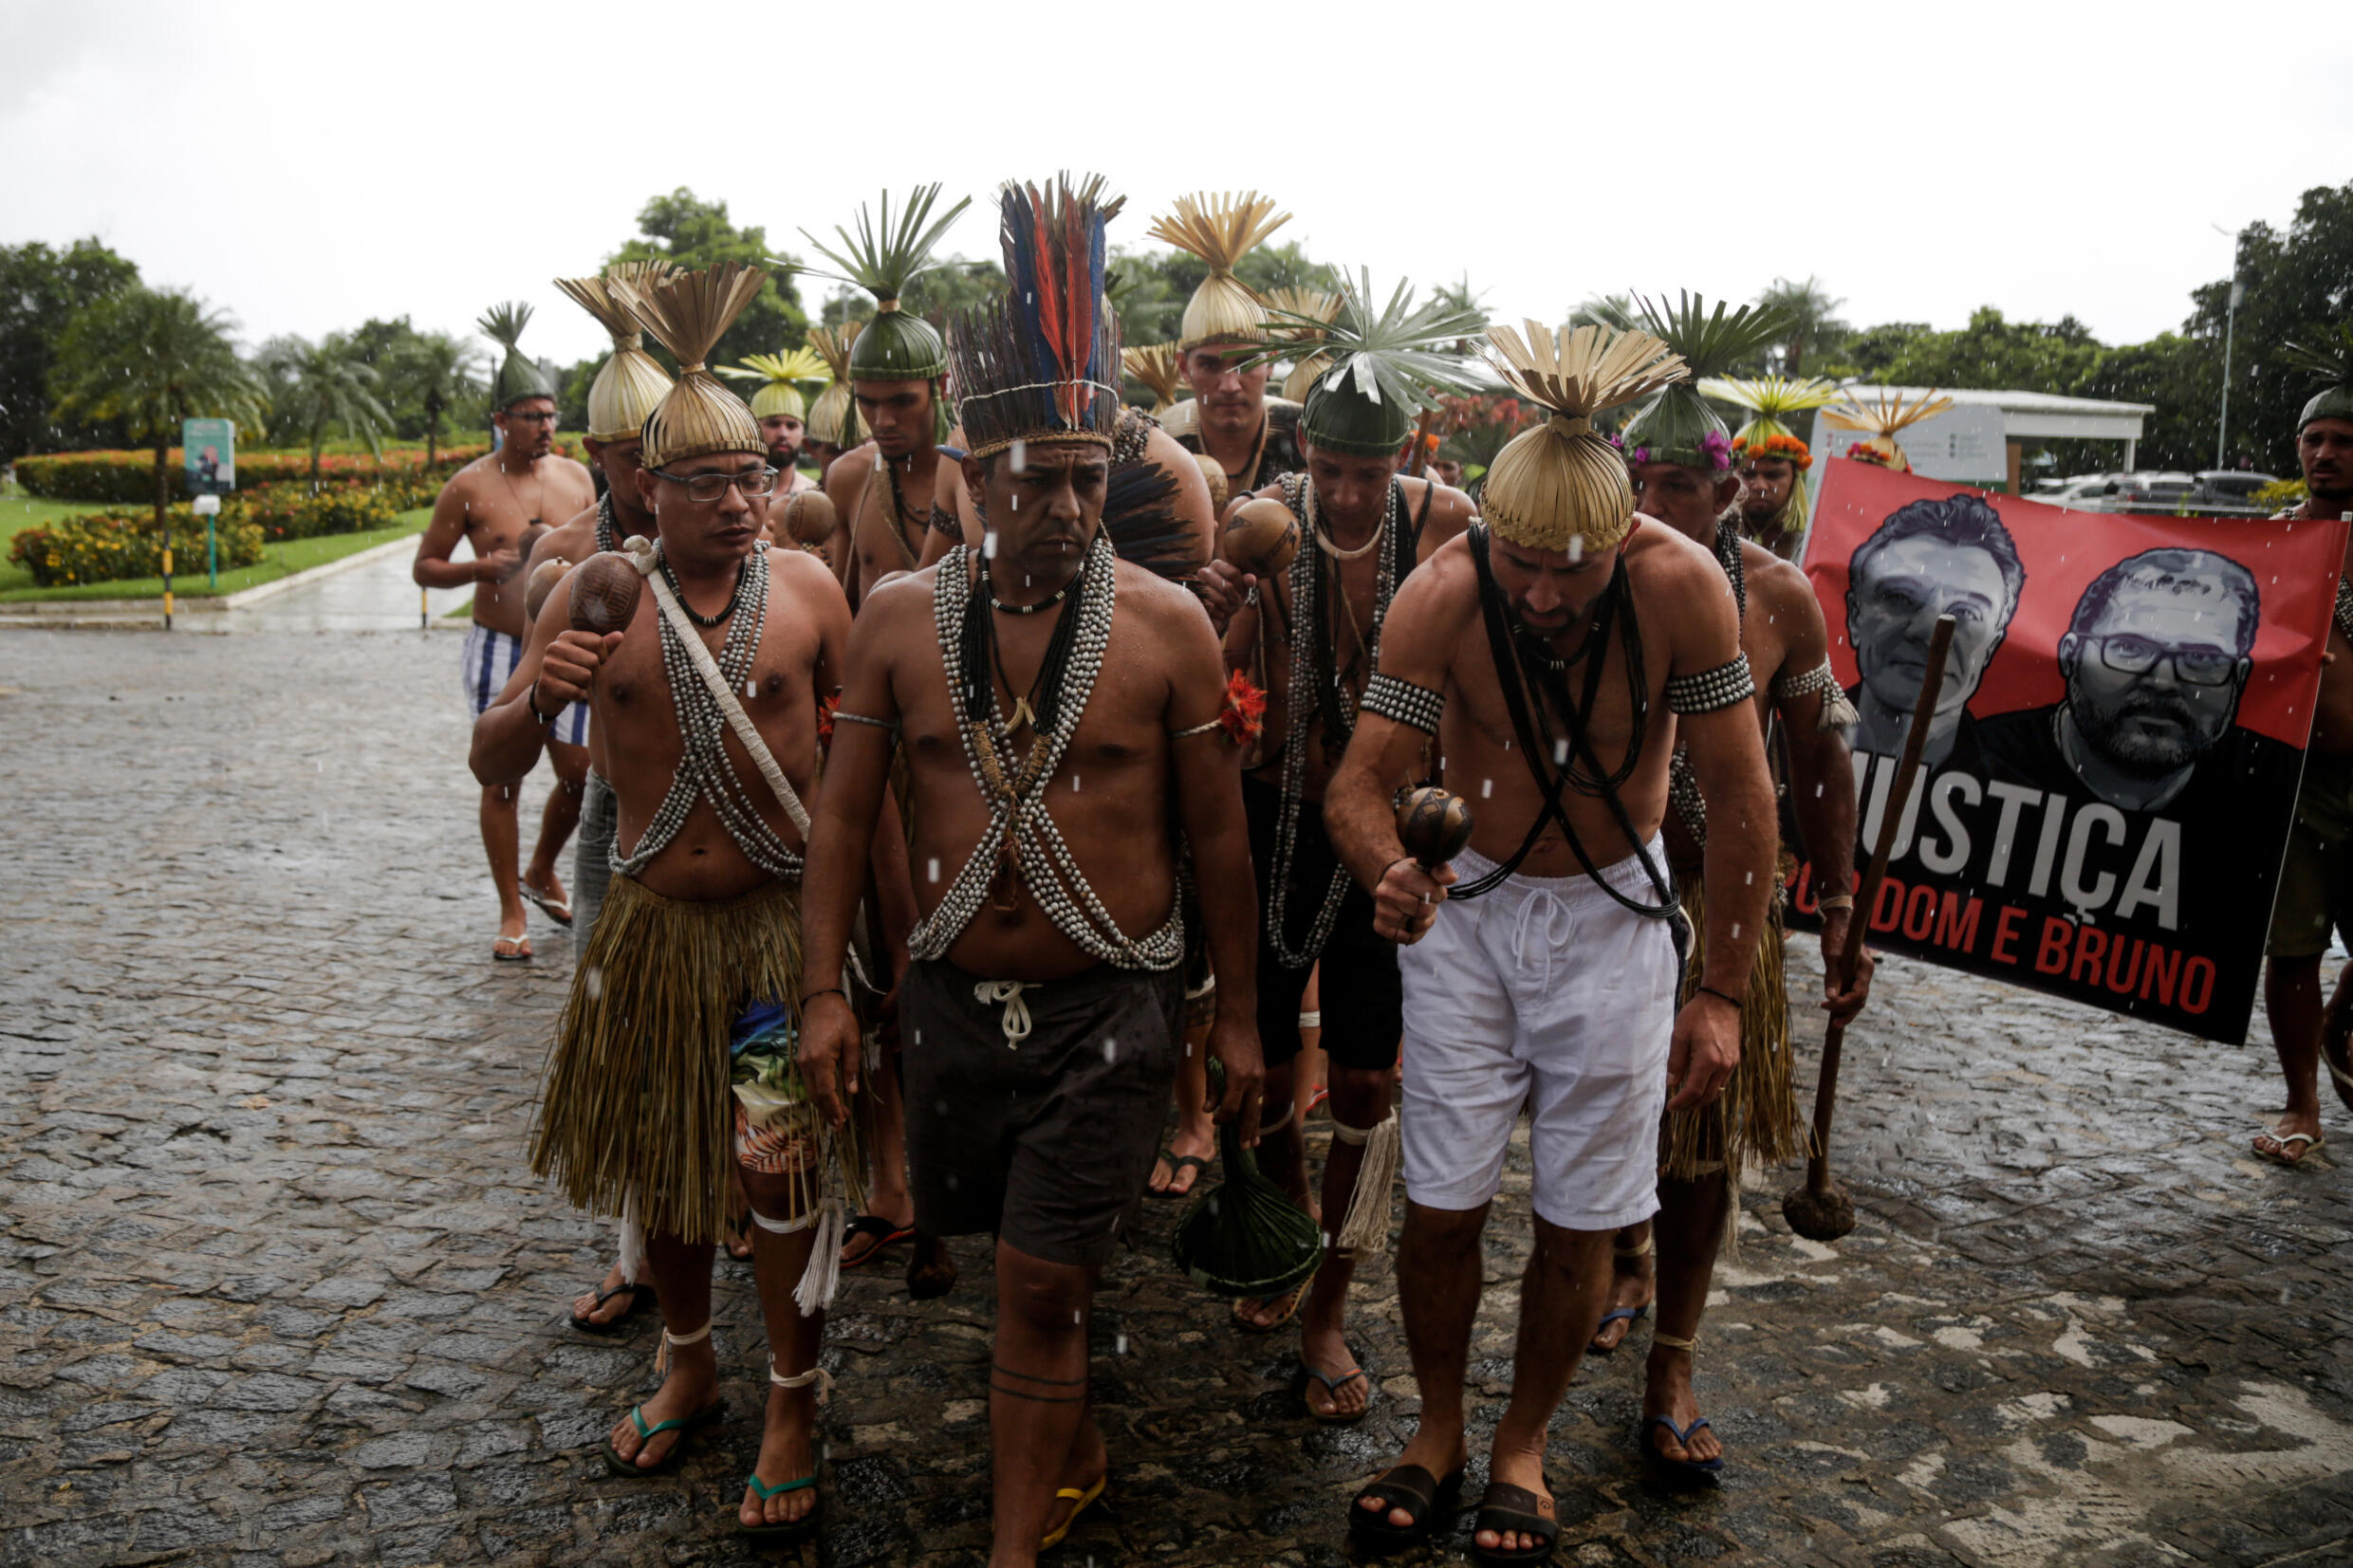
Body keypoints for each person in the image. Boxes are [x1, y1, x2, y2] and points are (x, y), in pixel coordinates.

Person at [794, 176, 1265, 1568]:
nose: (1065, 505)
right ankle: (1074, 1452)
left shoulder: (1168, 627)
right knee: (1020, 1282)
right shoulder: (893, 625)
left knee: (1043, 1284)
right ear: (972, 479)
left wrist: (1235, 1017)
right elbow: (838, 823)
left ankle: (1010, 1551)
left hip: (1107, 1013)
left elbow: (1222, 840)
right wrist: (827, 995)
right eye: (1036, 479)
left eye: (1083, 477)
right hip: (950, 1009)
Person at [1322, 319, 1776, 1561]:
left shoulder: (1683, 587)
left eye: (1569, 571)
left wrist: (1722, 992)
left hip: (1615, 922)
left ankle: (1521, 1439)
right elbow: (1361, 784)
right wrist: (1388, 876)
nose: (1539, 591)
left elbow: (1742, 797)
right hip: (1467, 916)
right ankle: (1438, 1431)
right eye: (1519, 560)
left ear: (1623, 538)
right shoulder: (1445, 592)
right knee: (1441, 1199)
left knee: (1584, 1213)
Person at [474, 261, 898, 1542]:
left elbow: (862, 789)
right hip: (652, 937)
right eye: (702, 482)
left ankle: (788, 1395)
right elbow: (493, 766)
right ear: (645, 487)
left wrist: (866, 970)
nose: (733, 501)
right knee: (663, 1175)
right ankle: (688, 1355)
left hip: (774, 944)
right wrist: (539, 690)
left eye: (748, 480)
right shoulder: (597, 597)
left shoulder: (817, 597)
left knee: (774, 1174)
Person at [1589, 295, 1873, 1479]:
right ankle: (1617, 1254)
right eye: (1643, 487)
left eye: (1684, 490)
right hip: (1605, 895)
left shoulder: (1777, 599)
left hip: (1718, 908)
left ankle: (1672, 1357)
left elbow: (1816, 757)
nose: (1663, 510)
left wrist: (1840, 900)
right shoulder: (1583, 585)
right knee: (1606, 1125)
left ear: (1725, 492)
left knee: (1698, 1145)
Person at [1194, 273, 1481, 1419]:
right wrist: (1224, 593)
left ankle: (1329, 1306)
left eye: (1369, 474)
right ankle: (1280, 1230)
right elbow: (1210, 670)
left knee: (1363, 1076)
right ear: (1300, 452)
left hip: (1392, 835)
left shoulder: (1446, 525)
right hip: (1279, 825)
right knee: (1262, 1065)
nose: (1351, 497)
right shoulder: (1267, 521)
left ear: (1401, 458)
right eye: (1331, 474)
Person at [522, 261, 703, 1331]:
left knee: (758, 1072)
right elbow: (495, 750)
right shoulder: (565, 559)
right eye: (640, 461)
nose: (661, 479)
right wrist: (540, 703)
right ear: (597, 456)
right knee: (629, 1051)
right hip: (621, 828)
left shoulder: (755, 548)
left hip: (746, 834)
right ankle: (641, 1255)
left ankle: (739, 1230)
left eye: (678, 459)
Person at [412, 300, 597, 960]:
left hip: (566, 638)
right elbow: (423, 568)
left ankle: (543, 865)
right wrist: (478, 568)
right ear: (501, 420)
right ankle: (512, 909)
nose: (546, 425)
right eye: (532, 415)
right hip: (497, 644)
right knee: (502, 779)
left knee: (581, 774)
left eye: (551, 414)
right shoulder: (468, 486)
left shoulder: (578, 478)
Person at [2253, 359, 2353, 1165]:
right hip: (2298, 782)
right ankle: (2300, 1102)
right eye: (2315, 440)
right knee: (2294, 947)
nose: (2327, 454)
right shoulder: (2277, 546)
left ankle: (2337, 1019)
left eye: (2345, 441)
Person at [806, 185, 973, 611]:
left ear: (940, 386)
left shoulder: (973, 473)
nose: (881, 421)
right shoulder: (848, 478)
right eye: (867, 403)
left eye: (901, 402)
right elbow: (840, 607)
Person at [1842, 492, 2027, 773]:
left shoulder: (2019, 797)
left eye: (1965, 613)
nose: (1929, 632)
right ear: (1856, 616)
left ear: (1991, 647)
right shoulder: (1772, 751)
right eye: (1901, 598)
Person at [1149, 192, 1308, 496]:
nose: (1230, 385)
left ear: (1271, 362)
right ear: (1184, 367)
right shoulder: (1157, 444)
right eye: (1209, 365)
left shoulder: (1309, 437)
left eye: (1246, 364)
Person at [1709, 374, 1837, 561]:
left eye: (1773, 475)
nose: (1760, 485)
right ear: (1730, 477)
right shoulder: (1708, 534)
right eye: (1748, 474)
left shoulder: (1816, 543)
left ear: (1795, 479)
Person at [719, 347, 824, 506]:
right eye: (773, 424)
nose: (783, 433)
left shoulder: (815, 495)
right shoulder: (732, 495)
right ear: (752, 430)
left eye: (791, 425)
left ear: (803, 432)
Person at [801, 323, 863, 487]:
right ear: (810, 449)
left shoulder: (888, 509)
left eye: (858, 450)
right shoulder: (803, 509)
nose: (848, 462)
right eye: (836, 452)